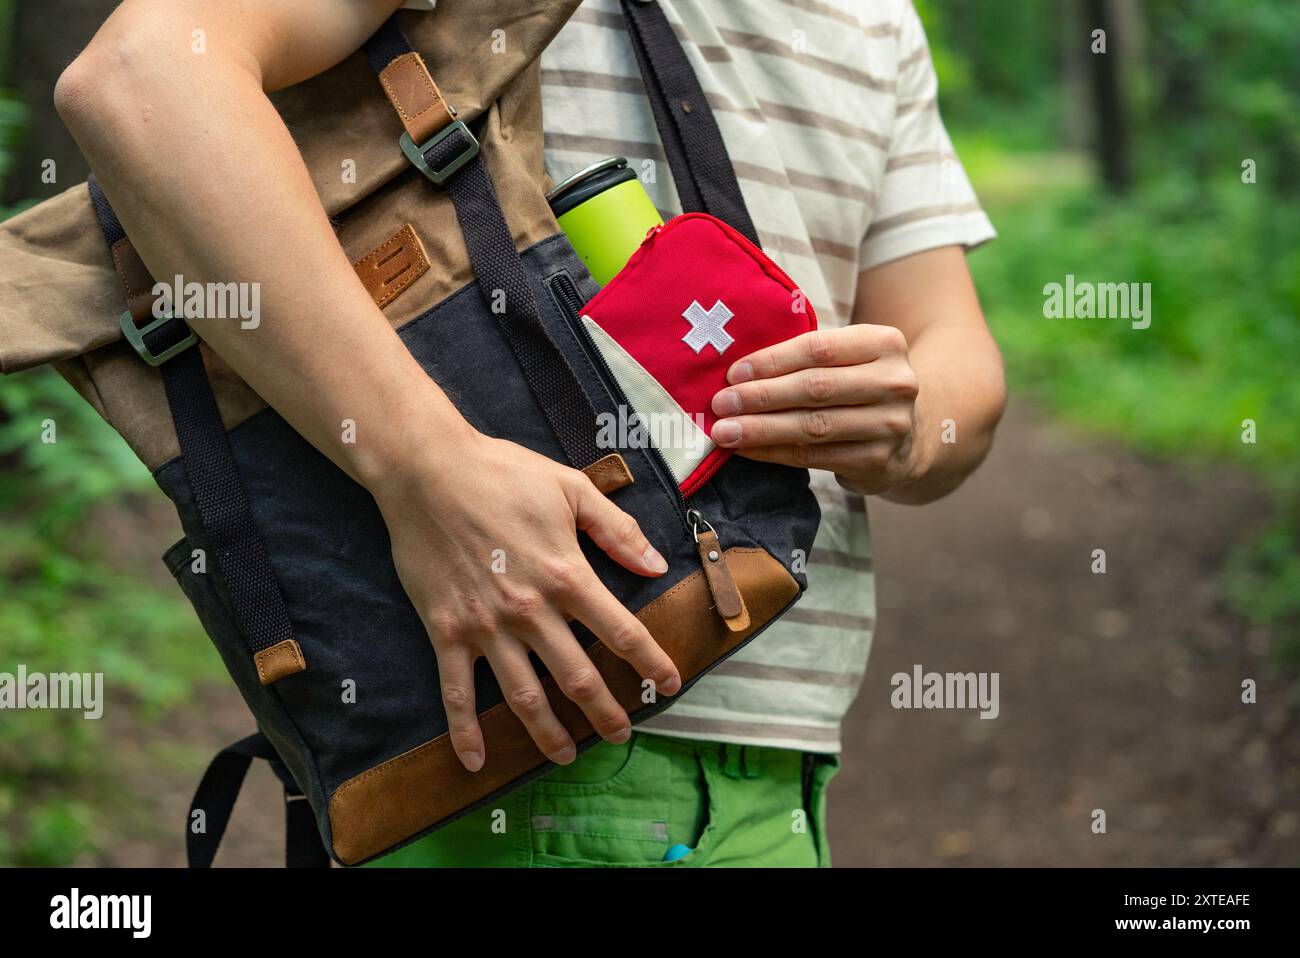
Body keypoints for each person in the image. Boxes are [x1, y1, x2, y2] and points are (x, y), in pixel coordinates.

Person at [55, 0, 1005, 867]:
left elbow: (948, 337)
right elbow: (145, 79)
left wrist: (911, 425)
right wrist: (424, 468)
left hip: (783, 764)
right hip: (515, 741)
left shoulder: (877, 22)